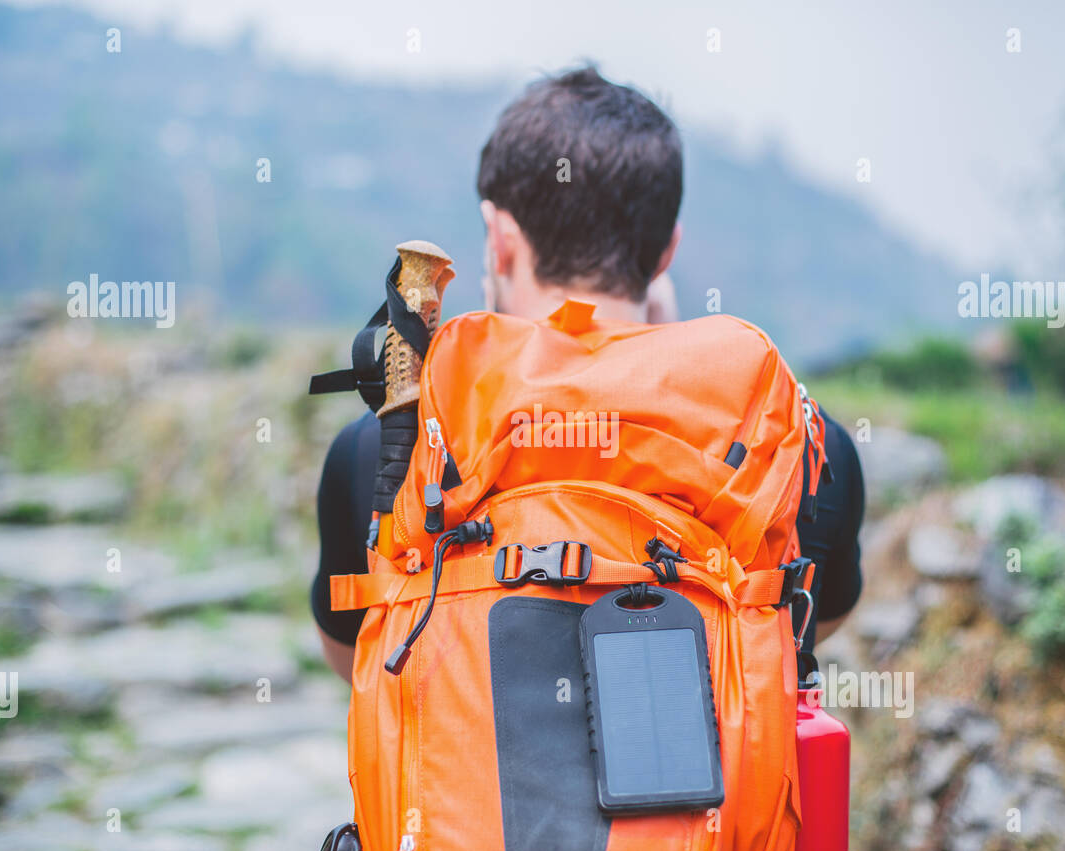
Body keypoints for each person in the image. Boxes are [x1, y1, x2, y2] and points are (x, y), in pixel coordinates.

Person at [312, 67, 864, 682]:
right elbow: (800, 631)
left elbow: (354, 656)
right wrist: (666, 364)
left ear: (499, 241)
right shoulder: (802, 450)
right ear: (665, 253)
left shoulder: (384, 446)